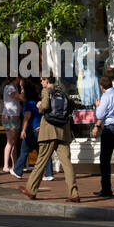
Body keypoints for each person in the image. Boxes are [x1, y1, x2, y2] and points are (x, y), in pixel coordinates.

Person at [20, 75, 80, 203]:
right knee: (67, 164)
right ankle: (73, 193)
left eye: (42, 80)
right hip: (63, 132)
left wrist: (39, 106)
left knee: (41, 161)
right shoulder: (62, 92)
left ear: (47, 80)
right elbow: (71, 106)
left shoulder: (46, 91)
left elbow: (45, 106)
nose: (41, 82)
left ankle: (31, 189)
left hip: (48, 132)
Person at [11, 82, 54, 182]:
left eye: (22, 89)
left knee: (24, 150)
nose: (21, 91)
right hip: (41, 129)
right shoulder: (38, 101)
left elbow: (27, 117)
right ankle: (49, 173)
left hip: (32, 130)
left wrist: (23, 130)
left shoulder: (29, 103)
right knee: (44, 151)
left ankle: (17, 171)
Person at [1, 77, 23, 172]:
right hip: (10, 116)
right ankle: (5, 165)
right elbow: (21, 97)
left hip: (15, 116)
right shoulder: (9, 87)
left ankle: (15, 165)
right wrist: (22, 87)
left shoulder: (14, 87)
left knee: (14, 142)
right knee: (10, 141)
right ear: (16, 78)